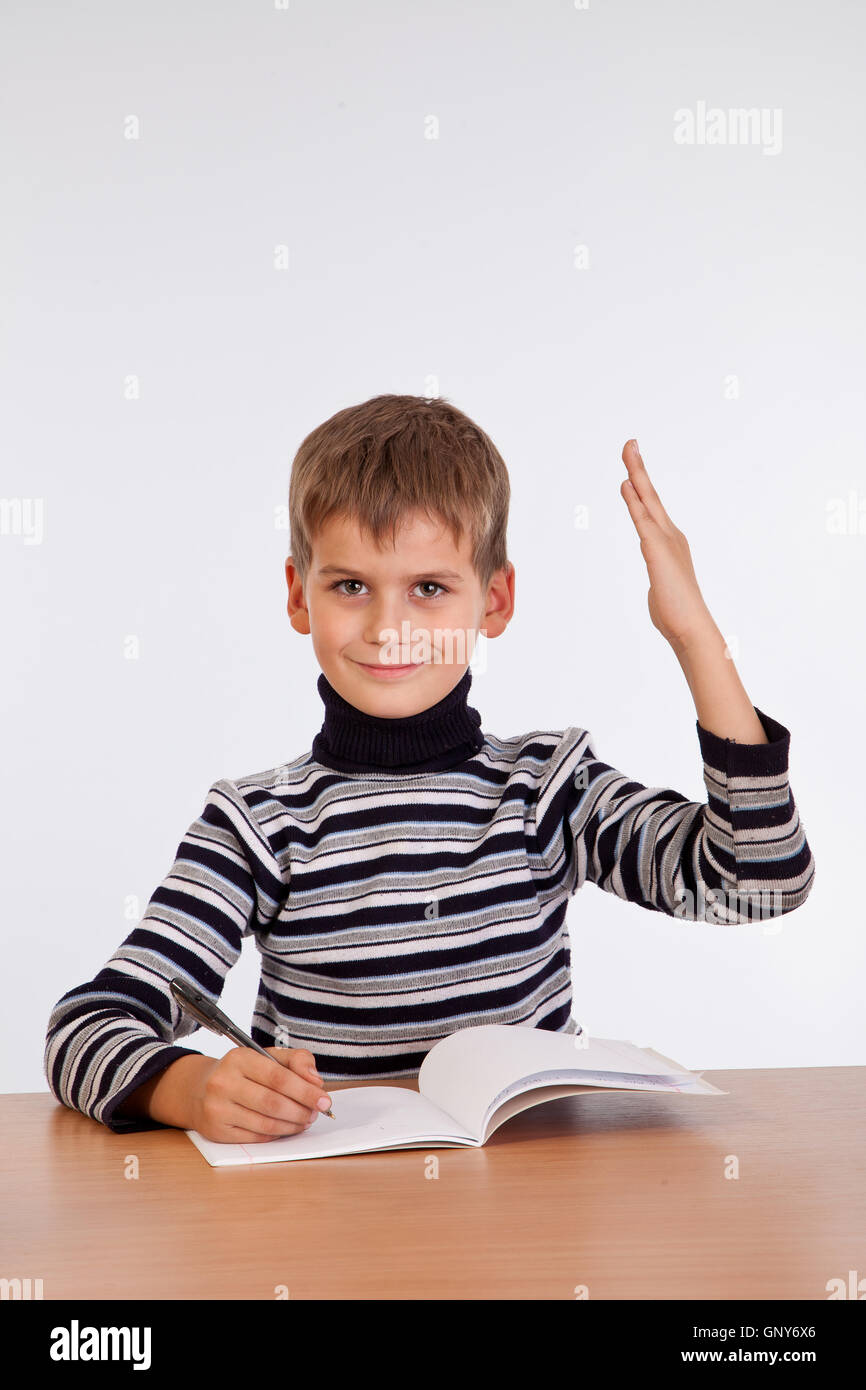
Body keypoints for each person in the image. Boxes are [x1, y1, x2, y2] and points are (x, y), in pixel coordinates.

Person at [44, 394, 815, 1144]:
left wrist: (695, 637)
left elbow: (758, 884)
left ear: (495, 600)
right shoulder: (256, 825)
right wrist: (190, 1088)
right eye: (351, 586)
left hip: (535, 1212)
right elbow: (87, 1026)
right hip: (333, 1224)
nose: (388, 629)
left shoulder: (549, 789)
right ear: (297, 595)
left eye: (429, 589)